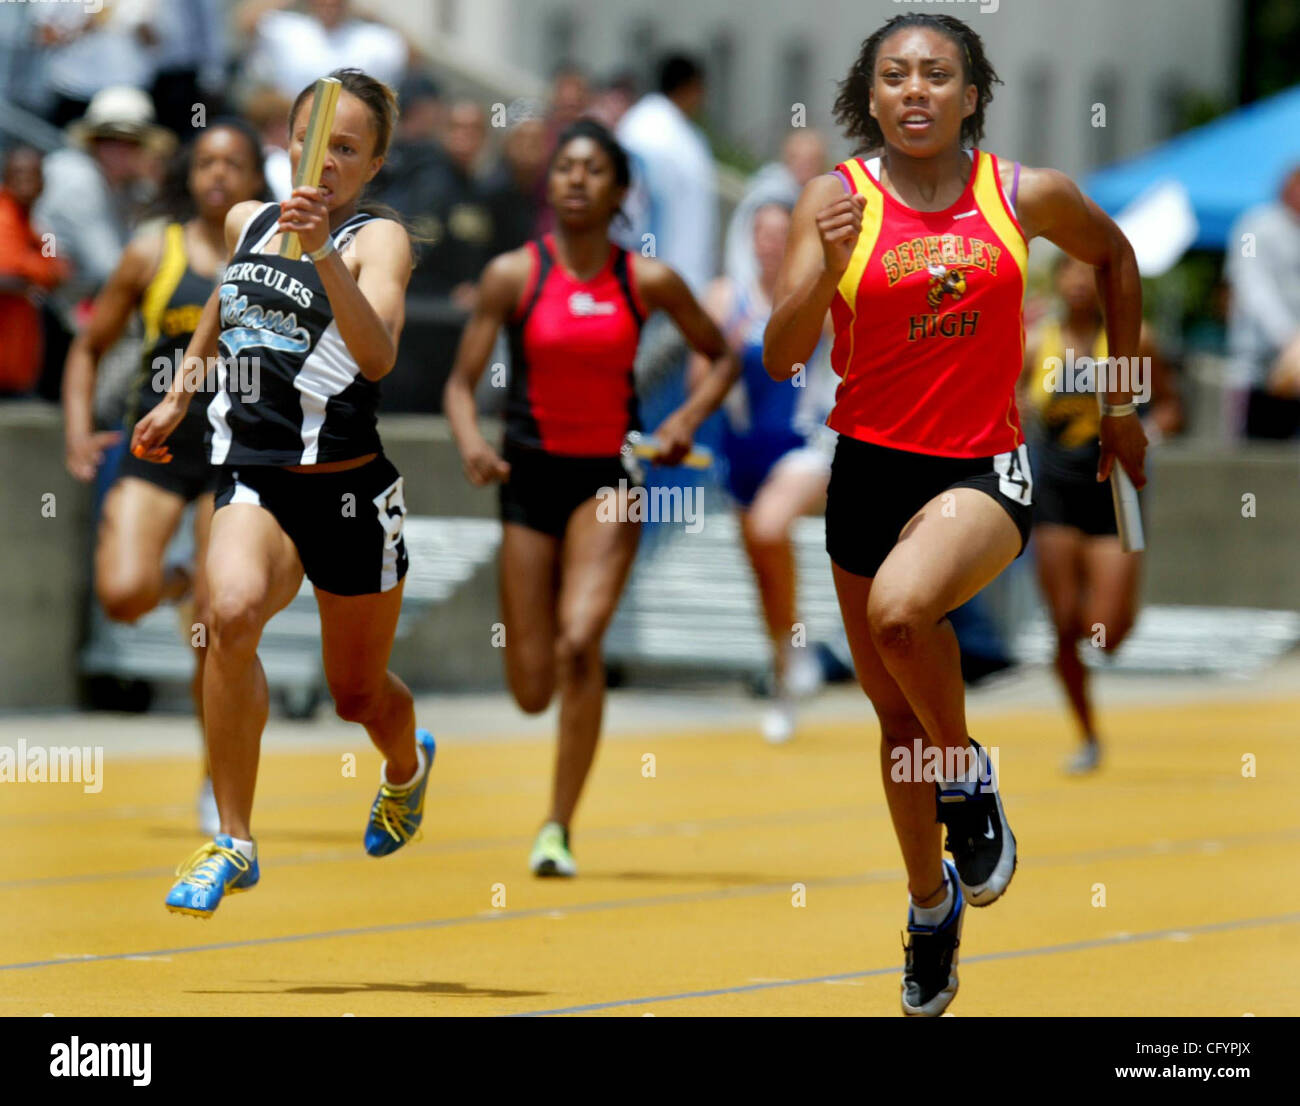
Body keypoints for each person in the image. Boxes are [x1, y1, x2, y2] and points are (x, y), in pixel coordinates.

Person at [764, 13, 1147, 1016]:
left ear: (972, 92)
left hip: (983, 467)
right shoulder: (831, 198)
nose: (917, 90)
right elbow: (777, 351)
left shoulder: (1023, 195)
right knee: (895, 718)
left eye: (938, 73)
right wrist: (817, 262)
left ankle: (968, 775)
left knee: (899, 615)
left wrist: (1118, 402)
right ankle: (930, 907)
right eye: (895, 76)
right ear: (871, 95)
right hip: (866, 470)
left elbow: (1116, 261)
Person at [131, 68, 431, 919]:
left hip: (345, 491)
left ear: (372, 165)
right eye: (311, 142)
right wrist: (183, 389)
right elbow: (225, 300)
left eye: (346, 149)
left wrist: (325, 250)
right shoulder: (247, 221)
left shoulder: (381, 241)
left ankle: (406, 767)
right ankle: (234, 838)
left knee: (357, 696)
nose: (324, 161)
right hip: (254, 473)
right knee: (227, 614)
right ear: (286, 144)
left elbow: (376, 357)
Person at [443, 119, 739, 879]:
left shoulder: (647, 280)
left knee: (581, 643)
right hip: (527, 476)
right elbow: (457, 384)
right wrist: (473, 442)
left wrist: (682, 420)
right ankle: (552, 773)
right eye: (565, 167)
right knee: (531, 686)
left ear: (619, 190)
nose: (575, 179)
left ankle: (557, 826)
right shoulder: (516, 273)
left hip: (610, 476)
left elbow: (724, 356)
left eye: (592, 169)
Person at [62, 121, 268, 834]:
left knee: (216, 629)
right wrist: (77, 429)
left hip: (234, 454)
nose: (217, 175)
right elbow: (88, 346)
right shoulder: (153, 251)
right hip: (157, 444)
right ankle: (177, 578)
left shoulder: (276, 254)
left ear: (254, 180)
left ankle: (217, 778)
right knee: (122, 595)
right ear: (190, 173)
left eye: (233, 164)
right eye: (206, 162)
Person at [1020, 254, 1181, 774]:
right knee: (1065, 625)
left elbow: (1170, 406)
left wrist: (1149, 432)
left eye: (1090, 272)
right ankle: (1087, 731)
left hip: (1115, 489)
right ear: (1058, 279)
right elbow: (1009, 399)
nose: (1079, 283)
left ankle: (1115, 612)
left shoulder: (1136, 340)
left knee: (1104, 632)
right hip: (1056, 490)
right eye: (1069, 270)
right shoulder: (1033, 344)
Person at [689, 201, 833, 744]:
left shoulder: (816, 293)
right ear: (750, 240)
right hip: (741, 452)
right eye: (763, 235)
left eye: (782, 235)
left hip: (805, 443)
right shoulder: (725, 299)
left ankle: (796, 654)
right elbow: (699, 380)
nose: (771, 244)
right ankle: (787, 671)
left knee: (770, 528)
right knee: (763, 577)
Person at [1225, 165, 1300, 439]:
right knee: (1255, 464)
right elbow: (1253, 288)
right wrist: (1290, 340)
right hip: (1257, 374)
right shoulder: (1255, 225)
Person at [0, 146, 70, 398]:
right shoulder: (4, 214)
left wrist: (37, 271)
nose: (25, 181)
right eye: (18, 173)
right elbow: (8, 270)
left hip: (17, 361)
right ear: (6, 177)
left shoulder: (37, 223)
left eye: (33, 174)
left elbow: (56, 266)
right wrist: (35, 272)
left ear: (43, 183)